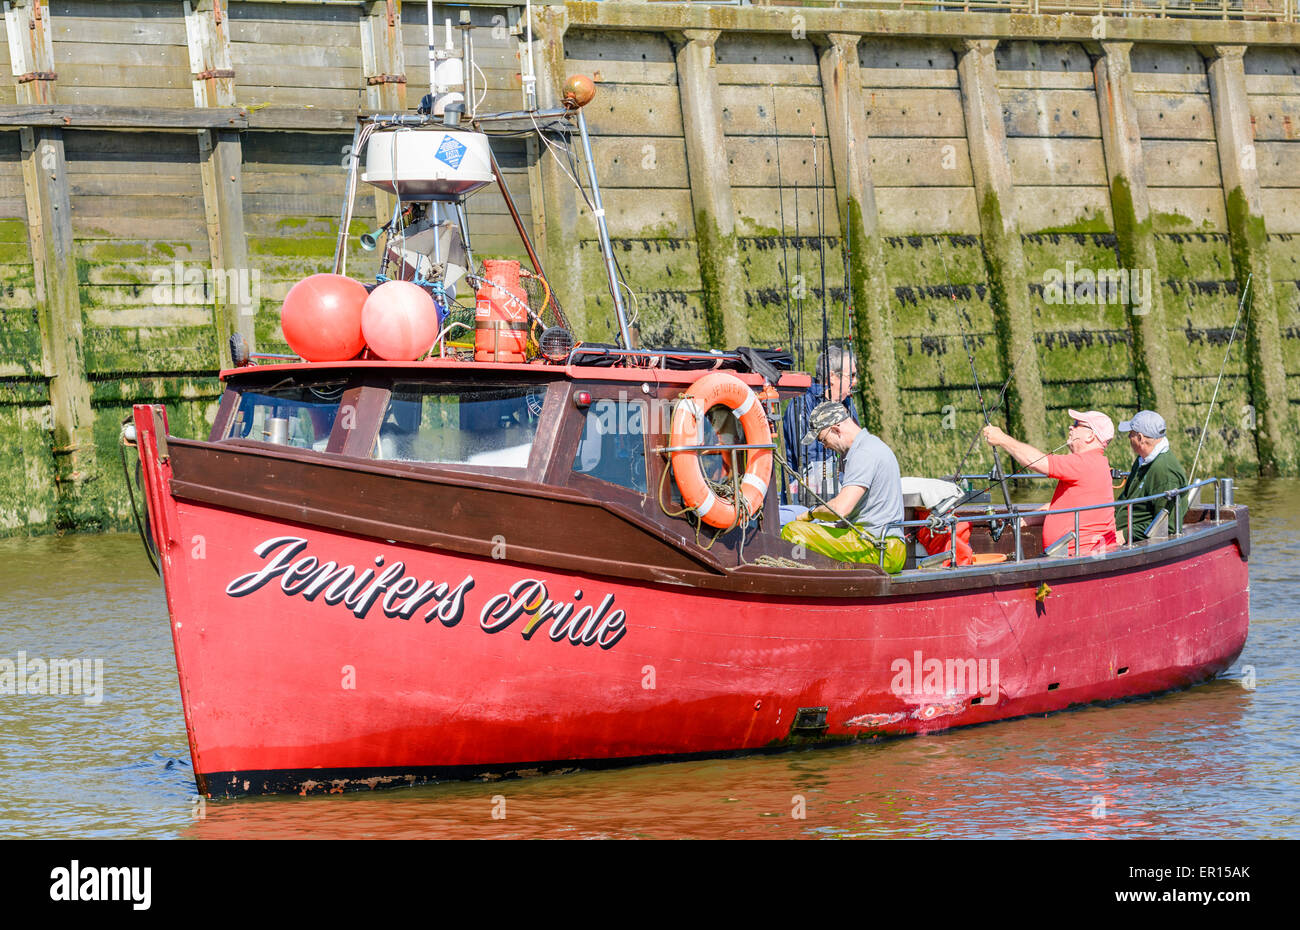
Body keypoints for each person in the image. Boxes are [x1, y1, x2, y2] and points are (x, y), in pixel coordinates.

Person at [780, 401, 906, 571]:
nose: (825, 446)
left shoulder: (864, 453)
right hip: (886, 546)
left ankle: (807, 586)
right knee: (814, 530)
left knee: (792, 531)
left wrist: (809, 515)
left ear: (836, 429)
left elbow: (840, 509)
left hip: (877, 548)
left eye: (823, 440)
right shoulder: (871, 446)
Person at [982, 409, 1118, 556]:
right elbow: (1063, 507)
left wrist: (1002, 439)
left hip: (1078, 555)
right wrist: (1024, 520)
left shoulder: (1085, 462)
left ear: (1090, 435)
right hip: (1075, 553)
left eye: (1077, 424)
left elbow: (1036, 462)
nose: (1070, 427)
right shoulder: (1096, 462)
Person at [781, 345, 858, 503]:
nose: (855, 382)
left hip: (842, 498)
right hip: (805, 501)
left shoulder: (847, 403)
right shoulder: (801, 404)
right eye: (851, 375)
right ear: (832, 377)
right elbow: (809, 458)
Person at [1114, 410, 1188, 543]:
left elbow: (1166, 525)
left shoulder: (1164, 472)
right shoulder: (1142, 460)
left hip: (1130, 539)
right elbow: (1126, 496)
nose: (1129, 437)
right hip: (1116, 529)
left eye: (1131, 434)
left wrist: (1125, 534)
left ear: (1140, 438)